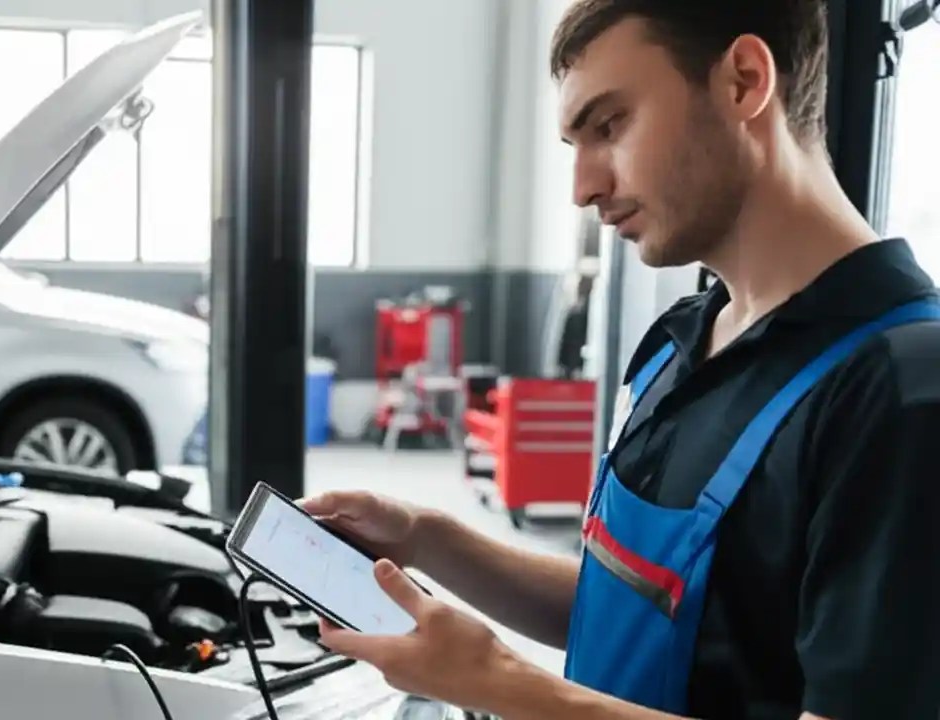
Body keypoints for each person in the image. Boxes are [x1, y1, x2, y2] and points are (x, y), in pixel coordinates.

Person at [303, 2, 940, 718]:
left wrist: (504, 685)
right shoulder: (684, 339)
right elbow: (643, 607)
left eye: (610, 126)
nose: (583, 188)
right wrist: (426, 537)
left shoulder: (901, 394)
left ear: (743, 81)